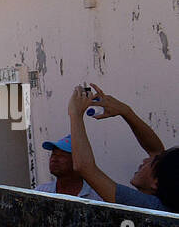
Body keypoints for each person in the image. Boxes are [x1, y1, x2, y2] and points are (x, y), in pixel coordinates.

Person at [67, 84, 178, 212]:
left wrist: (75, 114)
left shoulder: (152, 208)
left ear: (156, 182)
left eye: (152, 161)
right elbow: (156, 150)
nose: (145, 160)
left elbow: (84, 167)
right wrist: (125, 111)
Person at [34, 135, 101, 200]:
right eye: (53, 154)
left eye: (62, 155)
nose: (54, 159)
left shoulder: (96, 195)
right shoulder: (41, 193)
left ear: (77, 161)